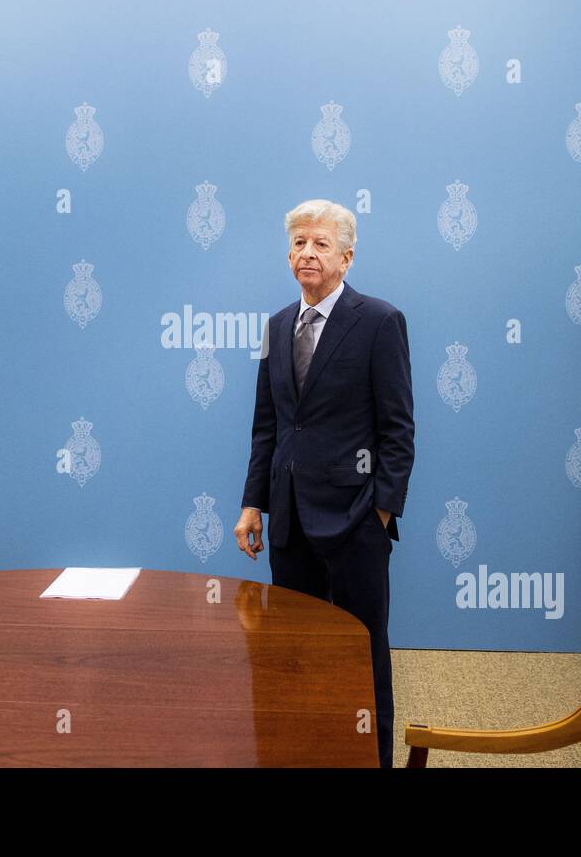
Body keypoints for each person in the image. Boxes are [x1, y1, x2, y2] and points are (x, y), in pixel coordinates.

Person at [235, 198, 415, 769]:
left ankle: (371, 761)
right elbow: (269, 427)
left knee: (362, 653)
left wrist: (380, 512)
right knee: (294, 652)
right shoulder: (277, 325)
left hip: (355, 520)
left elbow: (398, 429)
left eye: (319, 244)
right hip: (289, 521)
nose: (305, 253)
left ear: (346, 256)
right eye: (298, 243)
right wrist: (251, 505)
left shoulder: (380, 321)